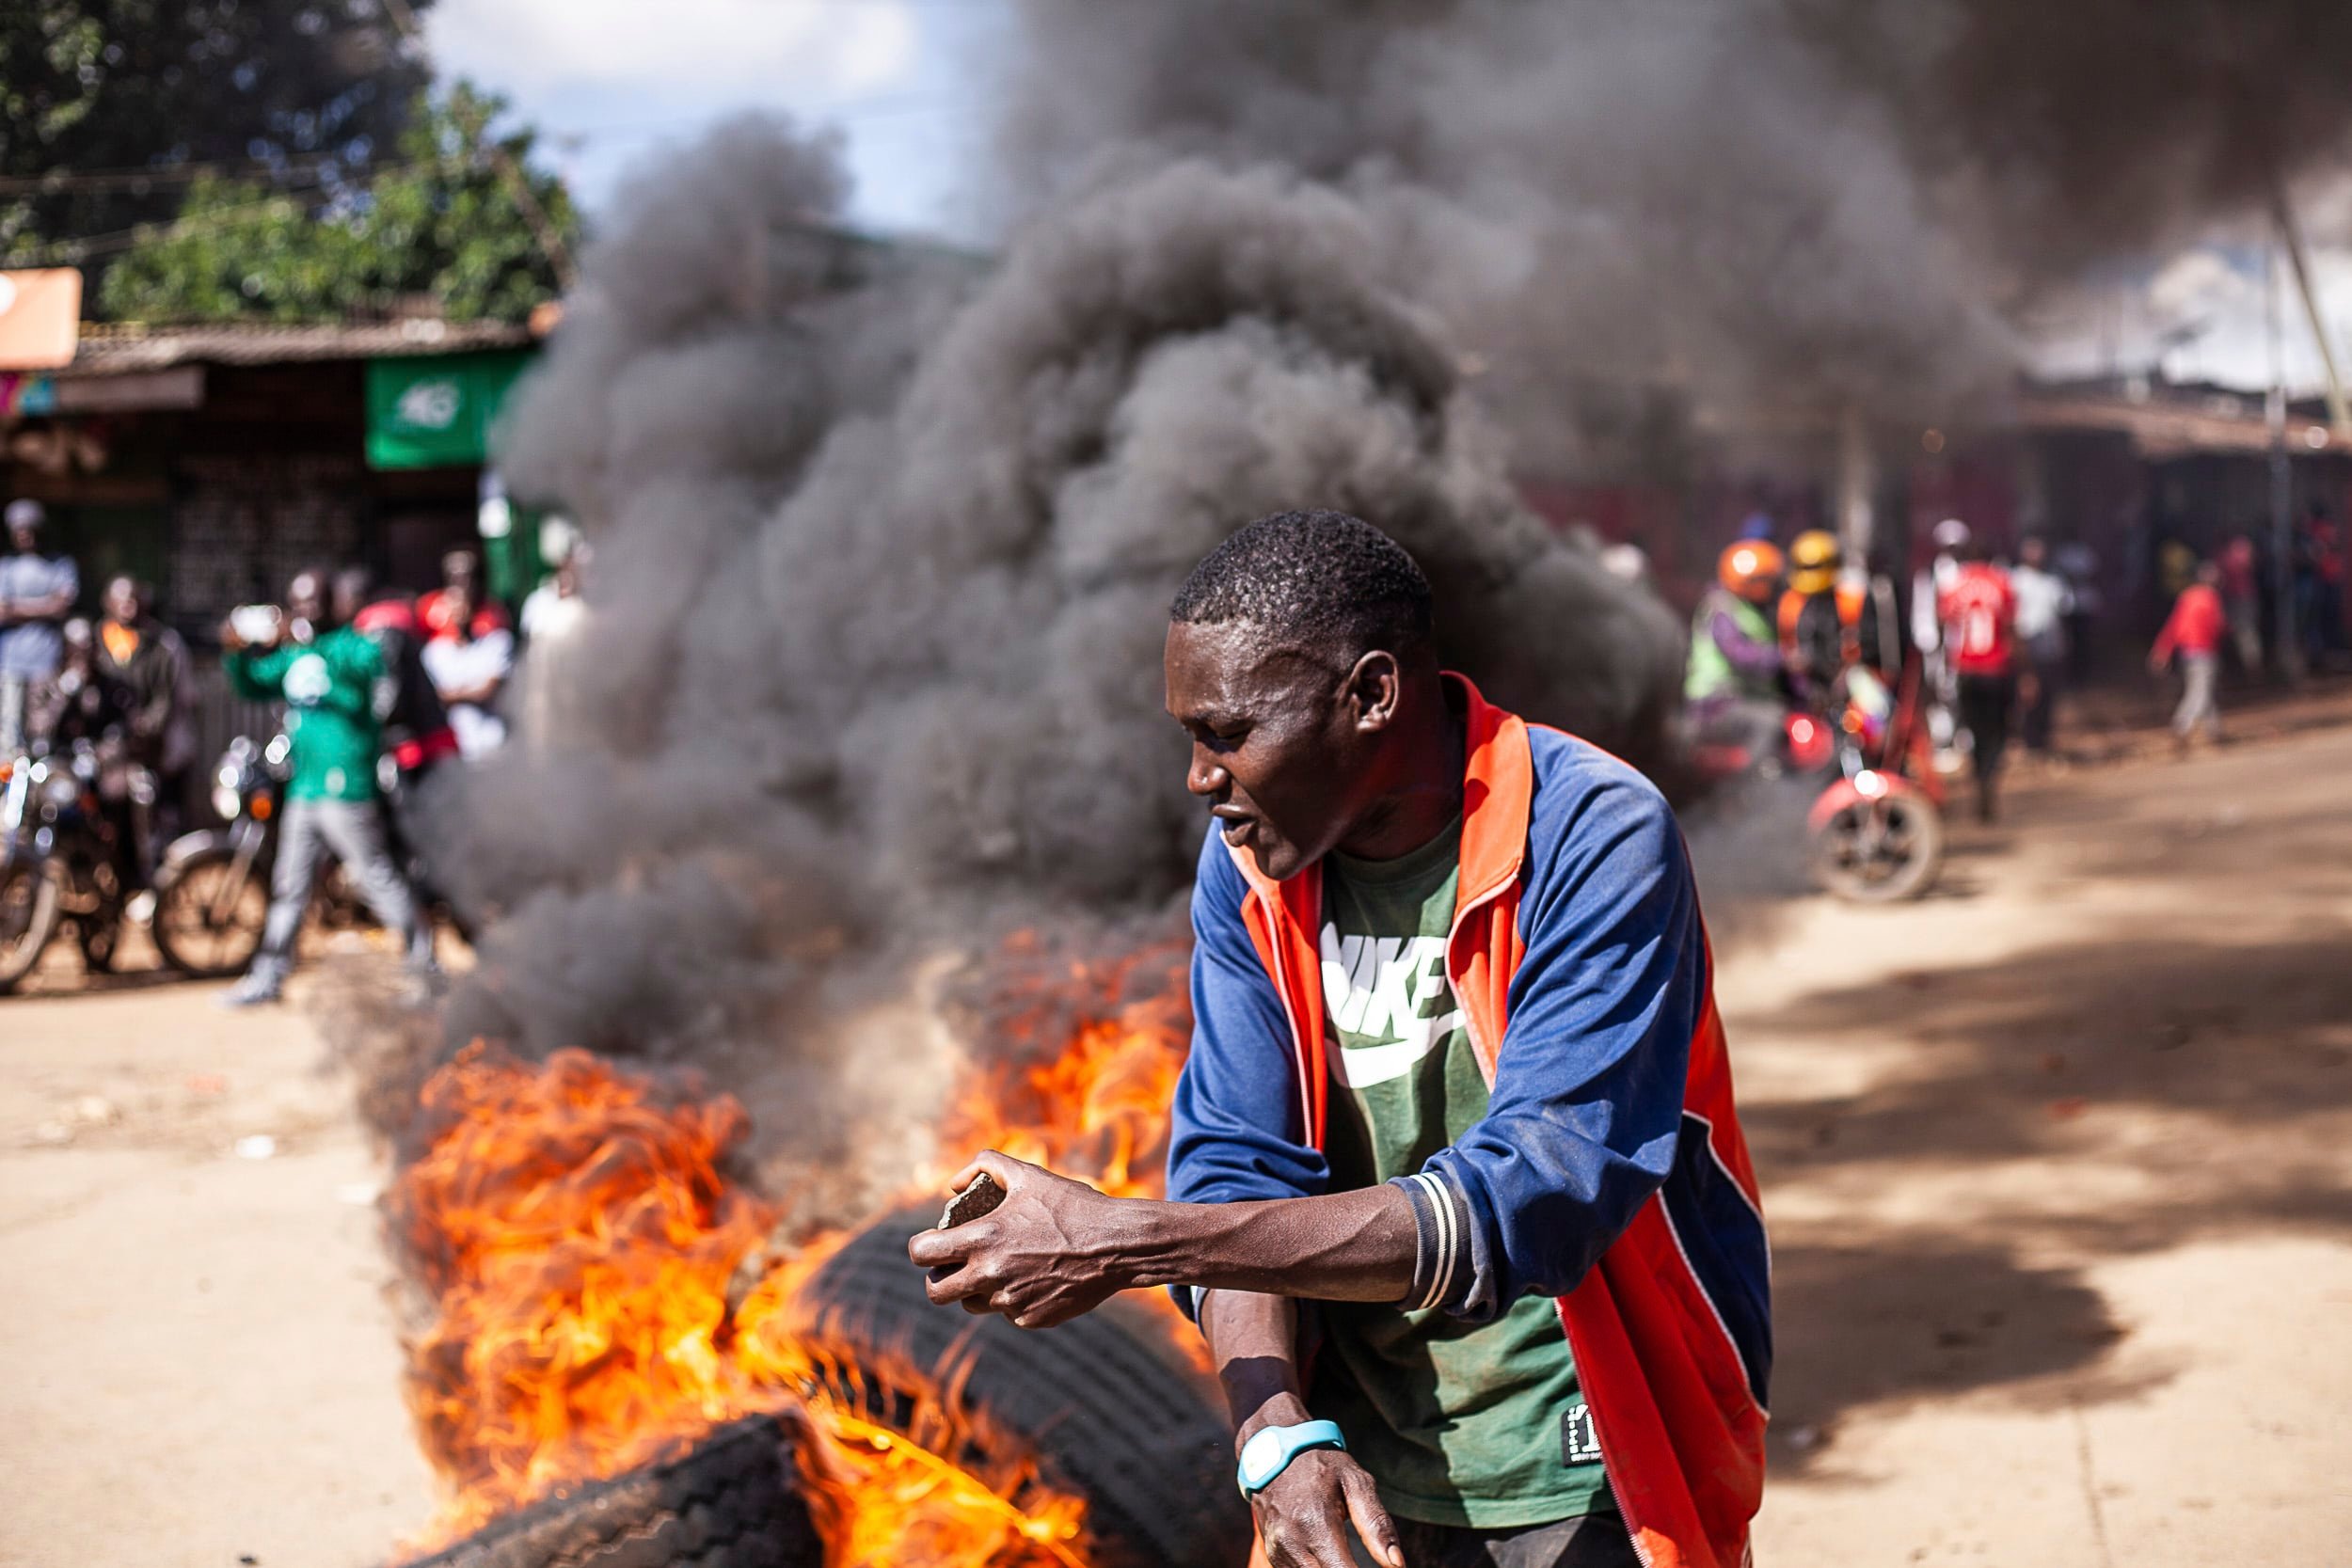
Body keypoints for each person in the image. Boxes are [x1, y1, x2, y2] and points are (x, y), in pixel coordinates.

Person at [911, 512, 1770, 1568]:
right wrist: (1275, 1435)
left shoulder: (1589, 832)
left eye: (1226, 732)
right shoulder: (1249, 868)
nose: (1197, 775)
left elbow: (1530, 1200)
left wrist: (1119, 1238)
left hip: (1585, 1459)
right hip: (1366, 1465)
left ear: (1370, 694)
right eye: (1188, 735)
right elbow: (1238, 1162)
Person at [217, 567, 440, 1007]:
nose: (305, 610)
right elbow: (252, 683)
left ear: (334, 603)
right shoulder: (294, 656)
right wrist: (236, 648)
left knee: (376, 879)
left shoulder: (355, 647)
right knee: (289, 887)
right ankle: (269, 977)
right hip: (305, 790)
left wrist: (312, 650)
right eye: (298, 602)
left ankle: (425, 969)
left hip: (347, 788)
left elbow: (364, 687)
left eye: (313, 600)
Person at [94, 577, 197, 859]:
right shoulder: (97, 643)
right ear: (107, 603)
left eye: (134, 598)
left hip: (159, 750)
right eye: (121, 598)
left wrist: (146, 729)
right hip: (114, 750)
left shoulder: (164, 645)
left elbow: (170, 699)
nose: (128, 605)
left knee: (162, 817)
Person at [1683, 539, 1788, 762]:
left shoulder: (1750, 609)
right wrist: (1782, 658)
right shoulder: (1723, 607)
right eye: (1768, 581)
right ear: (1752, 582)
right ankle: (1755, 782)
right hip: (1716, 702)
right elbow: (1739, 653)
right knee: (1772, 724)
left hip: (1739, 699)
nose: (1774, 587)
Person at [1937, 538, 2017, 822]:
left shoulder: (1954, 587)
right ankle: (1988, 776)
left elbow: (1942, 624)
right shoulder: (2003, 583)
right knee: (1998, 730)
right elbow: (2010, 628)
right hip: (1996, 670)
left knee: (1974, 730)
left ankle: (1980, 775)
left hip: (1966, 671)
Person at [0, 499, 79, 754]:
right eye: (20, 531)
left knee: (43, 734)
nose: (26, 536)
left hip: (46, 662)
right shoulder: (7, 567)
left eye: (30, 530)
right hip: (11, 662)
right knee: (10, 735)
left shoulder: (59, 565)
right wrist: (44, 607)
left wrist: (17, 608)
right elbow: (2, 611)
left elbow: (62, 606)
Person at [421, 578, 515, 759]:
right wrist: (469, 690)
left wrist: (451, 694)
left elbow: (488, 691)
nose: (458, 614)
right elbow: (432, 697)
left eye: (462, 606)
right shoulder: (433, 653)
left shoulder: (496, 642)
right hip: (457, 747)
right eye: (452, 607)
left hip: (494, 740)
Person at [2151, 561, 2228, 749]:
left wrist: (2163, 649)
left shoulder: (2187, 596)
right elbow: (2219, 625)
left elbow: (2174, 625)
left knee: (2203, 690)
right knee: (2200, 692)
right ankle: (2181, 726)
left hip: (2186, 652)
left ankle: (2214, 731)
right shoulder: (2211, 598)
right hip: (2204, 651)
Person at [2008, 537, 2074, 754]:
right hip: (2025, 648)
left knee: (2048, 695)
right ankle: (2029, 738)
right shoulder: (2014, 579)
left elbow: (2063, 613)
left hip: (2050, 648)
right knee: (2028, 695)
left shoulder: (2053, 581)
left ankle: (2043, 738)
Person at [2217, 533, 2263, 674]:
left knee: (2246, 631)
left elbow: (2246, 565)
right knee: (2233, 631)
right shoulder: (2222, 551)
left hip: (2244, 597)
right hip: (2230, 597)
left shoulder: (2240, 546)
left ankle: (2253, 668)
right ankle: (2240, 668)